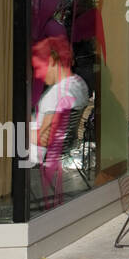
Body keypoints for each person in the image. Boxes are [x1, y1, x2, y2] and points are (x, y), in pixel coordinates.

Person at [29, 36, 90, 169]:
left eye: (38, 67)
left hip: (34, 156)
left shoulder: (55, 95)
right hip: (65, 147)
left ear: (52, 61)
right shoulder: (79, 83)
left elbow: (45, 139)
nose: (37, 75)